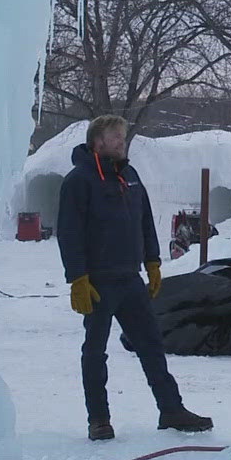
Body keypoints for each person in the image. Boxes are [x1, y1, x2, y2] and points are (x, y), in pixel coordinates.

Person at [55, 114, 213, 440]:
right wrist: (78, 279)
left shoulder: (130, 176)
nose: (122, 142)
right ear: (98, 141)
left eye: (123, 137)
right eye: (116, 137)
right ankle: (99, 419)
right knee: (95, 351)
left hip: (130, 279)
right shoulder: (78, 181)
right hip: (98, 282)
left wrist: (152, 262)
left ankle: (171, 409)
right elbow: (69, 233)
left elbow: (144, 222)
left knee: (151, 345)